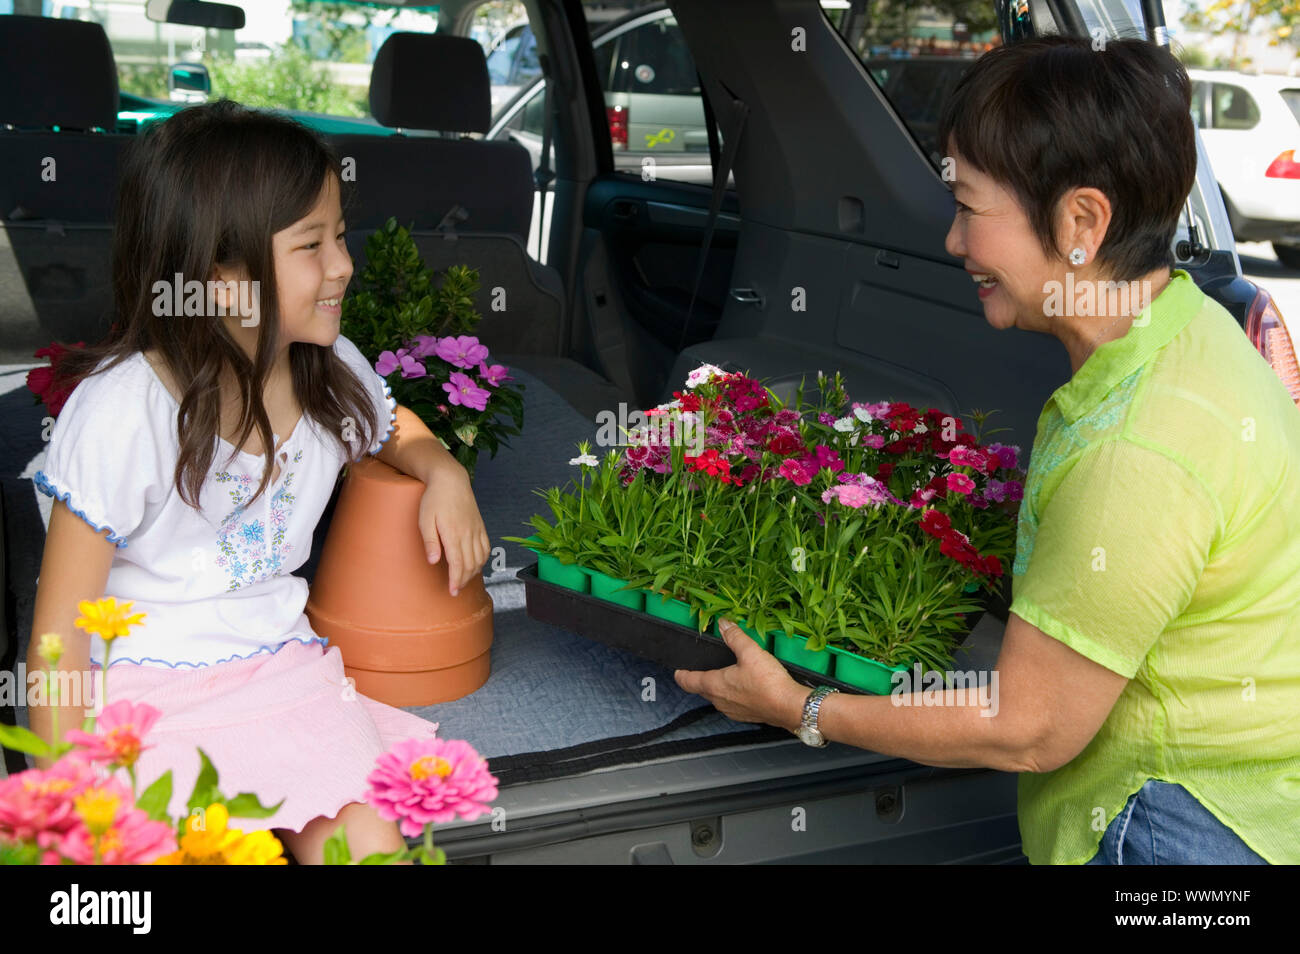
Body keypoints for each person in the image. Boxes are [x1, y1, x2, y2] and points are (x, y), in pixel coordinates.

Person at [676, 36, 1300, 865]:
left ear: (1082, 221)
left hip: (1173, 840)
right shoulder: (1186, 329)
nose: (953, 242)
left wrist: (803, 708)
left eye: (971, 208)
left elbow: (1027, 726)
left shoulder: (1141, 444)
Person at [27, 100, 491, 865]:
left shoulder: (328, 370)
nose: (344, 263)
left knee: (372, 850)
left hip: (281, 668)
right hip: (142, 690)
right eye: (311, 244)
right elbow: (59, 641)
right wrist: (62, 819)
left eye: (339, 234)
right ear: (219, 276)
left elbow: (394, 425)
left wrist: (443, 469)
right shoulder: (121, 412)